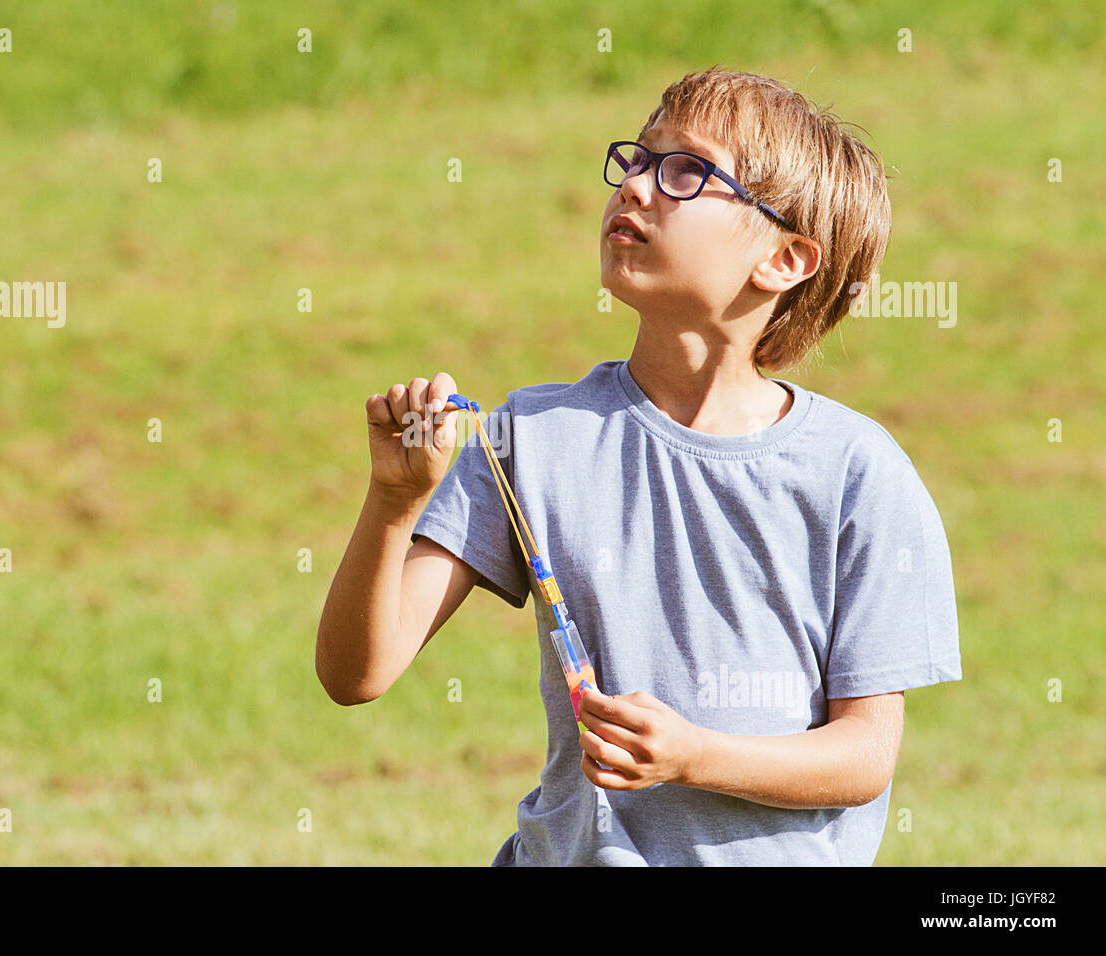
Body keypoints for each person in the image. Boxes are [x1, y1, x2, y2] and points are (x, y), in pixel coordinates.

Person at [316, 68, 962, 865]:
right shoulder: (531, 434)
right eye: (637, 157)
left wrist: (695, 755)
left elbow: (863, 756)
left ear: (787, 257)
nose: (637, 186)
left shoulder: (859, 474)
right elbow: (358, 671)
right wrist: (392, 500)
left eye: (687, 170)